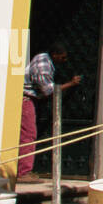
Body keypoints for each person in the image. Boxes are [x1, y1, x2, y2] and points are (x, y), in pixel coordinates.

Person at [18, 43, 81, 181]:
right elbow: (48, 90)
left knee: (28, 133)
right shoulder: (43, 65)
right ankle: (23, 172)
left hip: (34, 99)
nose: (64, 61)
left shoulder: (46, 61)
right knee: (28, 134)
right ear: (55, 55)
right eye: (63, 58)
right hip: (26, 99)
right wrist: (71, 83)